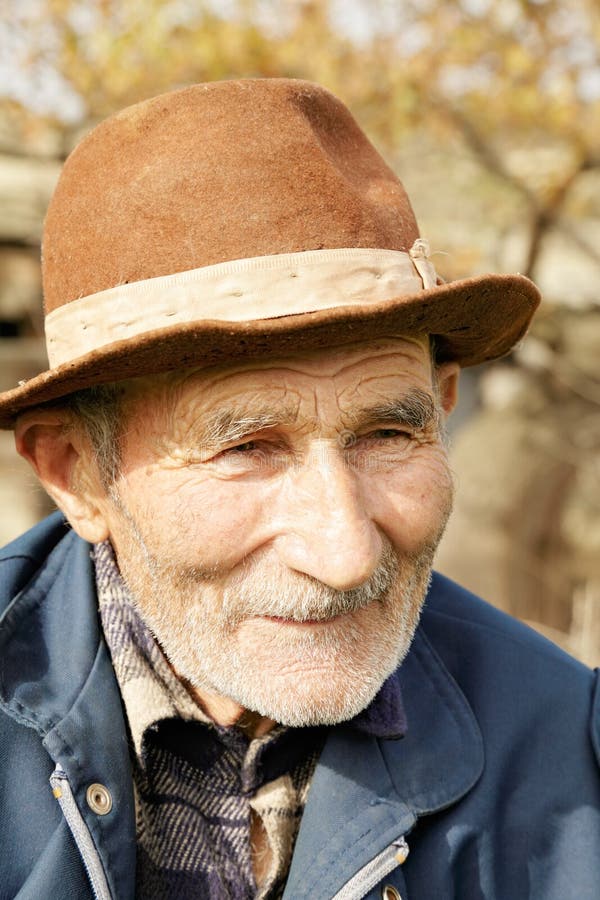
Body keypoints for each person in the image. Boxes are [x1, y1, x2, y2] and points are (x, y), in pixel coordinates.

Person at [0, 78, 597, 900]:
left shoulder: (569, 751)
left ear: (444, 407)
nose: (346, 555)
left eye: (389, 435)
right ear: (76, 474)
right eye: (246, 448)